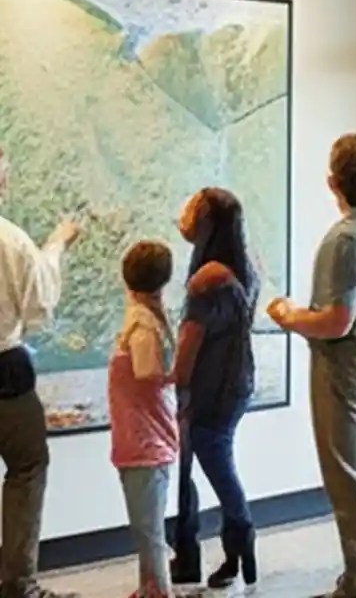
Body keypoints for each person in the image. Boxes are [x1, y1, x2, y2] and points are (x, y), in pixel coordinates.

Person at [268, 134, 356, 598]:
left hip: (344, 363)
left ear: (333, 182)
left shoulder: (344, 239)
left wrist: (288, 315)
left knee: (346, 474)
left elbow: (335, 321)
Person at [0, 146, 82, 598]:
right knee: (28, 468)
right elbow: (39, 305)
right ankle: (17, 584)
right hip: (7, 373)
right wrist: (57, 244)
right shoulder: (11, 241)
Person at [169, 188, 259, 590]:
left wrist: (176, 386)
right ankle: (198, 552)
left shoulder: (208, 281)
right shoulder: (245, 267)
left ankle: (237, 541)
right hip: (237, 380)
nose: (183, 216)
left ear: (206, 221)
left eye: (191, 210)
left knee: (212, 463)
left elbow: (189, 345)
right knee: (204, 463)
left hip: (210, 388)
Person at [110, 241, 181, 598]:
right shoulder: (147, 317)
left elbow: (147, 371)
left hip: (143, 441)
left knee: (149, 531)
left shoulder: (141, 323)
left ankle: (159, 591)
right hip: (142, 437)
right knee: (146, 528)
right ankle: (148, 588)